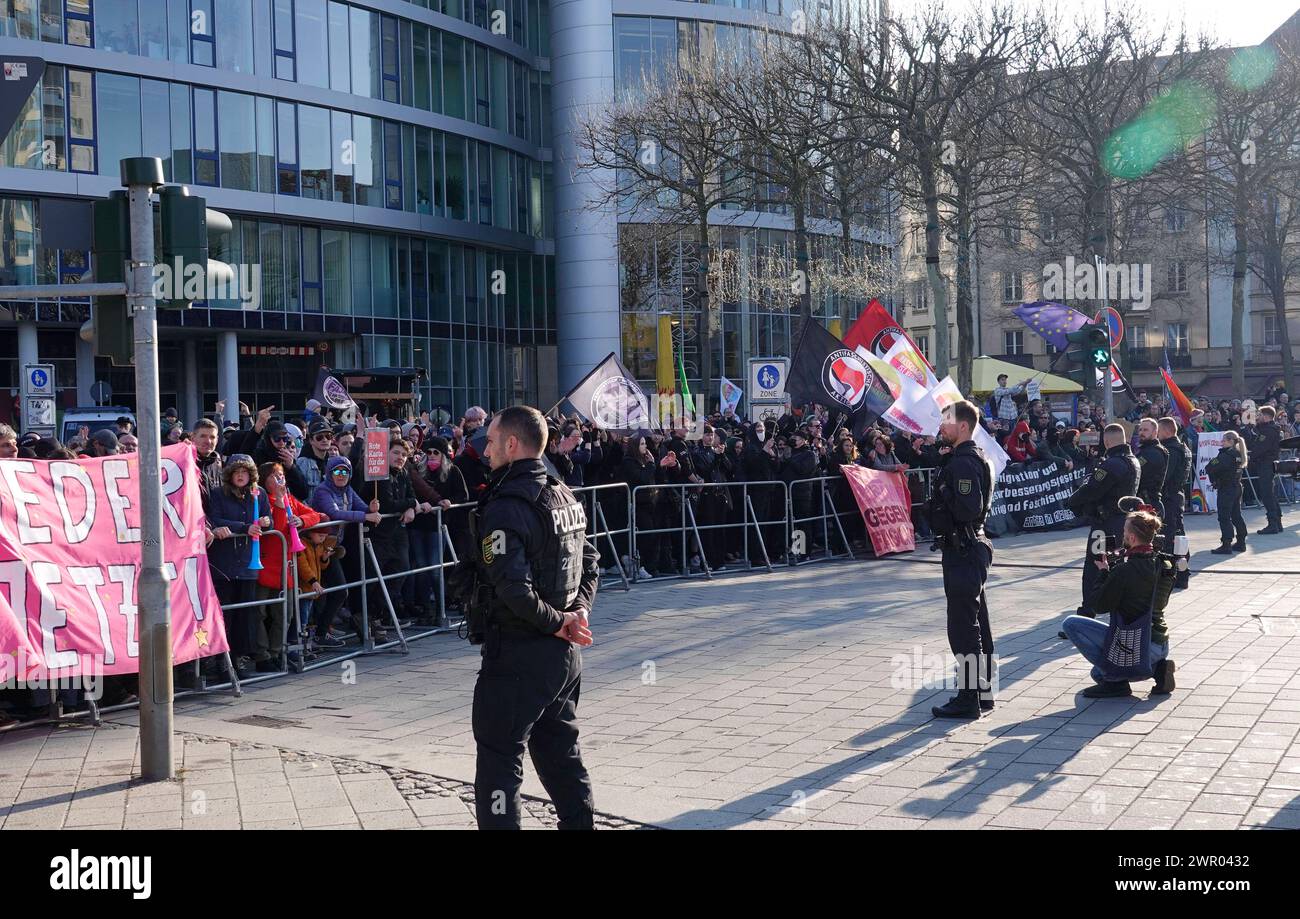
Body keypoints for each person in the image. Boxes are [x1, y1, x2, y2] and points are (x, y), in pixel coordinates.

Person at [468, 405, 599, 830]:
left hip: (521, 652)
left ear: (511, 443)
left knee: (499, 761)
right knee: (561, 753)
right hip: (561, 655)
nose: (485, 450)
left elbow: (513, 589)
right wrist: (576, 613)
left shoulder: (508, 505)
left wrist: (564, 619)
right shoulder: (562, 493)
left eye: (490, 440)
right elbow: (592, 564)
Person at [926, 400, 996, 719]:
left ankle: (969, 697)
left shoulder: (964, 463)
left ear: (963, 427)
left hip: (964, 549)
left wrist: (940, 503)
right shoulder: (962, 459)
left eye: (947, 422)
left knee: (964, 627)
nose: (941, 427)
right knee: (976, 622)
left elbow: (966, 510)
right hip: (967, 548)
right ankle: (981, 692)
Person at [1060, 508, 1177, 698]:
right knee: (1097, 673)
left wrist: (1104, 572)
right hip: (1160, 641)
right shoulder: (1164, 563)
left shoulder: (1125, 570)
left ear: (1131, 538)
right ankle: (1158, 669)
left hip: (1138, 643)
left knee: (1071, 624)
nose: (1122, 536)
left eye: (1124, 533)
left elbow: (1099, 606)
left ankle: (1117, 681)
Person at [204, 455, 271, 679]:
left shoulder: (258, 493)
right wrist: (244, 527)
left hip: (247, 564)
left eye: (244, 471)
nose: (240, 475)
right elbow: (214, 519)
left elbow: (266, 516)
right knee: (227, 613)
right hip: (224, 563)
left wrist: (265, 522)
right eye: (236, 471)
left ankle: (239, 658)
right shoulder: (218, 493)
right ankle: (223, 660)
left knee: (246, 614)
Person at [1066, 423, 1139, 624]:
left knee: (1095, 566)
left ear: (1107, 441)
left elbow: (1092, 489)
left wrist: (1071, 502)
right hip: (1122, 522)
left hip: (1105, 524)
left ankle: (1087, 614)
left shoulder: (1113, 464)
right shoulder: (1132, 460)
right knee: (1115, 566)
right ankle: (1116, 611)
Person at [1158, 417, 1192, 589]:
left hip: (1169, 498)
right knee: (1180, 539)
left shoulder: (1171, 450)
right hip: (1177, 496)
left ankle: (1175, 576)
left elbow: (1165, 476)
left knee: (1171, 540)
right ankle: (1183, 574)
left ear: (1166, 431)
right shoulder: (1183, 447)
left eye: (1158, 430)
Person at [1207, 430, 1248, 554]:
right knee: (1236, 515)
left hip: (1226, 489)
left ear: (1231, 441)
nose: (1221, 443)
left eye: (1224, 440)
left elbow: (1210, 467)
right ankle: (1241, 542)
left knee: (1224, 517)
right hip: (1236, 487)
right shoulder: (1239, 454)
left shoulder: (1225, 455)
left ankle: (1226, 544)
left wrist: (1214, 479)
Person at [1249, 406, 1283, 534]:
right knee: (1271, 493)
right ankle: (1277, 522)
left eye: (1260, 415)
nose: (1258, 417)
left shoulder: (1268, 431)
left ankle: (1272, 524)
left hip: (1266, 464)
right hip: (1269, 464)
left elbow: (1259, 448)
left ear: (1266, 416)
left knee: (1266, 494)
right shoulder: (1270, 429)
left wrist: (1248, 458)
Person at [1134, 418, 1168, 520]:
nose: (1141, 433)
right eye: (1140, 430)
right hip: (1144, 501)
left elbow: (1136, 472)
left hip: (1149, 502)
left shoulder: (1153, 452)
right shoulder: (1145, 450)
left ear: (1155, 432)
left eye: (1145, 430)